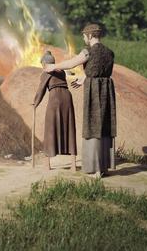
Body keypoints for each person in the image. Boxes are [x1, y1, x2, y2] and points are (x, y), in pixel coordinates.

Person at [43, 23, 116, 178]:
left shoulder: (88, 51)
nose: (83, 38)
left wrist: (53, 66)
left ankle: (95, 170)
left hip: (94, 91)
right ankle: (104, 166)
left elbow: (72, 63)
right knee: (103, 126)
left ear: (90, 35)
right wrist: (85, 78)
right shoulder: (109, 53)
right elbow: (101, 73)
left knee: (93, 125)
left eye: (84, 35)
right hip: (106, 89)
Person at [33, 51, 77, 171]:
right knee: (69, 127)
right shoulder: (61, 71)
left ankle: (47, 165)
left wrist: (35, 103)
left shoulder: (46, 72)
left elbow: (41, 89)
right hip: (67, 97)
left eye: (42, 63)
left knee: (50, 129)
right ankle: (73, 165)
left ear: (45, 63)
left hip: (55, 97)